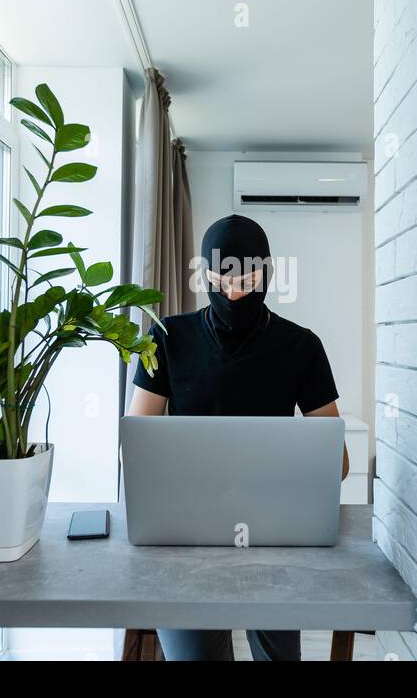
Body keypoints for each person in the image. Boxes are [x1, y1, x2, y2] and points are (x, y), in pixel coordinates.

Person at [128, 214, 349, 661]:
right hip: (184, 534)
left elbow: (337, 462)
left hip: (274, 535)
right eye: (220, 282)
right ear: (204, 277)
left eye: (247, 282)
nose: (233, 295)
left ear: (267, 275)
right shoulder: (167, 338)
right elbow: (132, 450)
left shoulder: (302, 346)